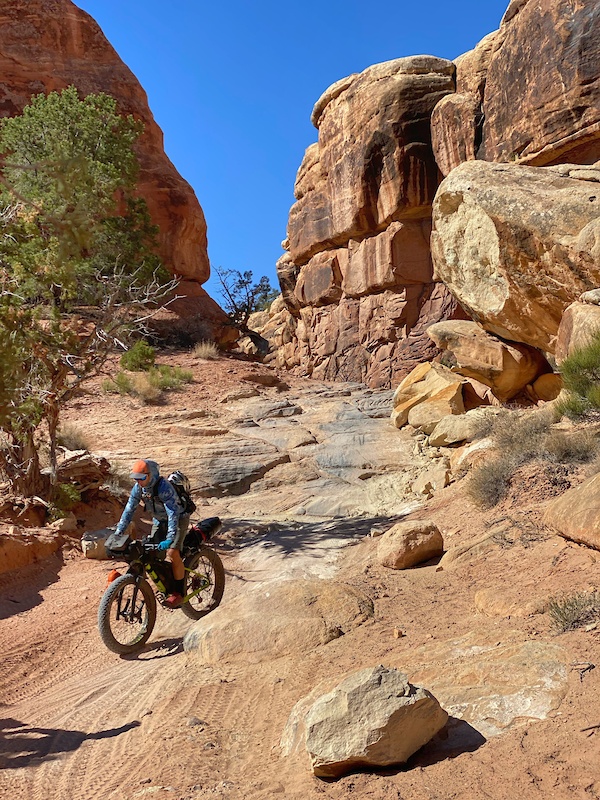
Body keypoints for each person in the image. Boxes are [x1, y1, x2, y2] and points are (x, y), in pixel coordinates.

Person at [114, 459, 190, 608]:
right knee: (152, 554)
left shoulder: (164, 488)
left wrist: (169, 538)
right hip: (159, 521)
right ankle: (167, 580)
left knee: (172, 552)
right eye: (135, 478)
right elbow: (129, 510)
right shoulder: (139, 488)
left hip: (178, 520)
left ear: (152, 475)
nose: (138, 481)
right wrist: (118, 532)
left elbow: (173, 513)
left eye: (141, 478)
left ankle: (179, 593)